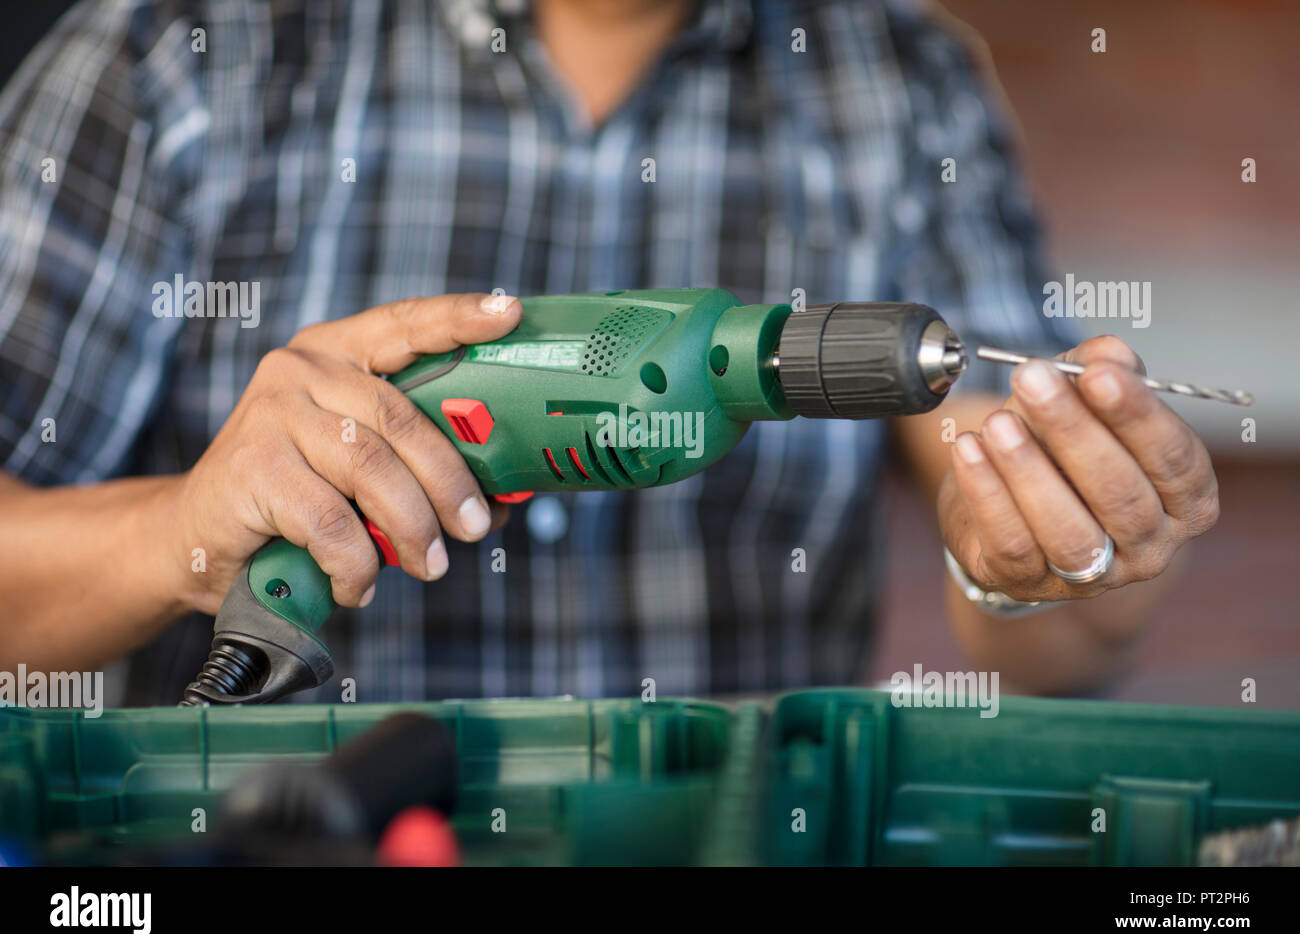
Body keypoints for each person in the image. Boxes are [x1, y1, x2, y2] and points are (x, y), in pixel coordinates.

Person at [0, 0, 1218, 705]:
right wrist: (188, 533)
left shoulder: (900, 84)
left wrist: (1056, 551)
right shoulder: (186, 50)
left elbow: (1047, 613)